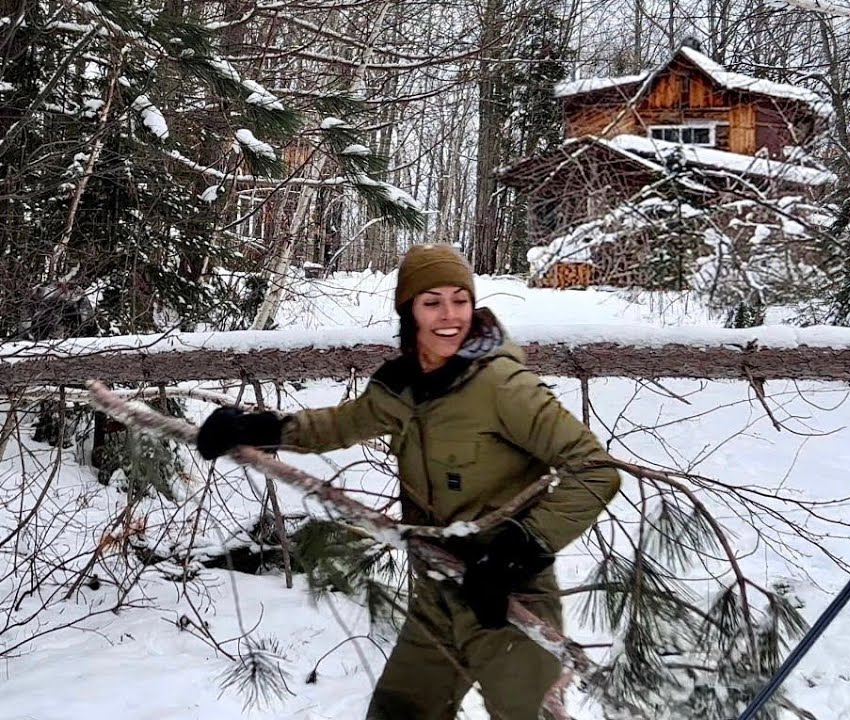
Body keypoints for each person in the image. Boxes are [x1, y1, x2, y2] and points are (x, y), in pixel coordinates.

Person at [194, 244, 622, 720]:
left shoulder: (503, 385)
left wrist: (514, 554)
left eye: (460, 300)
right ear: (409, 311)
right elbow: (339, 424)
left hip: (509, 599)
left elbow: (594, 470)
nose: (449, 315)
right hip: (437, 595)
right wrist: (257, 430)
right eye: (432, 301)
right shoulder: (401, 387)